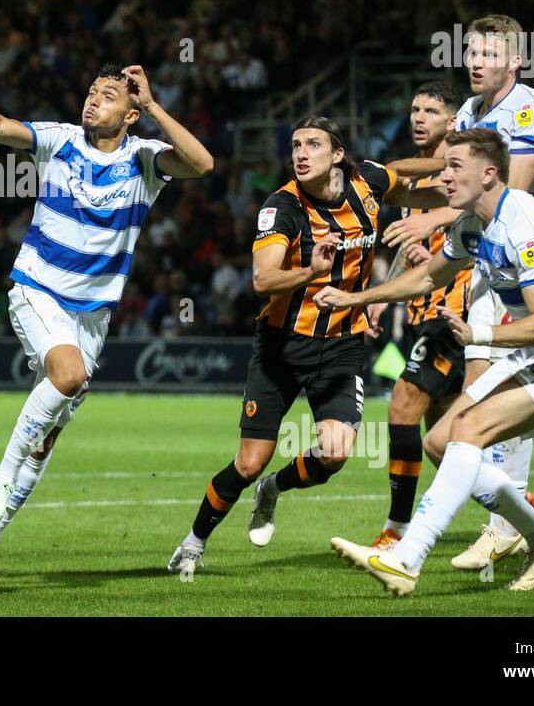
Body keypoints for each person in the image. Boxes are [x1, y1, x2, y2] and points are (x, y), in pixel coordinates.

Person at [0, 64, 213, 588]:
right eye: (90, 91)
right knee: (66, 377)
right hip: (37, 288)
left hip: (93, 316)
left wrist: (155, 106)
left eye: (108, 96)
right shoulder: (61, 141)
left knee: (46, 442)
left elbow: (202, 163)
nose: (93, 101)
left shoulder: (144, 158)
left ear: (131, 115)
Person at [320, 128, 534, 594]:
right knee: (440, 440)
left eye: (455, 166)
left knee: (468, 430)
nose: (445, 174)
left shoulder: (525, 225)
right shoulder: (475, 224)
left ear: (490, 172)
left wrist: (479, 333)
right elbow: (427, 277)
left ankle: (406, 558)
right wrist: (357, 298)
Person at [166, 117, 448, 577]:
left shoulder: (367, 183)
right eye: (296, 144)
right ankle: (195, 541)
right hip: (281, 347)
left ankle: (275, 489)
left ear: (337, 155)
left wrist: (452, 171)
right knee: (249, 461)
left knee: (335, 454)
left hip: (341, 344)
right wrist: (311, 270)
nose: (301, 153)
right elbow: (262, 279)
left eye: (313, 144)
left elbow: (407, 177)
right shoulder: (282, 207)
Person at [386, 15, 534, 568]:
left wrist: (429, 218)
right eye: (471, 52)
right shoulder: (468, 114)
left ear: (515, 60)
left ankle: (504, 522)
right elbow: (445, 169)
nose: (475, 61)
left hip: (529, 262)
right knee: (480, 394)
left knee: (502, 387)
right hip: (487, 259)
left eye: (488, 52)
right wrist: (383, 178)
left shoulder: (532, 108)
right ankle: (507, 521)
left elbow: (510, 191)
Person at [367, 81, 472, 548]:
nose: (418, 117)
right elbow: (408, 248)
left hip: (453, 312)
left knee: (401, 409)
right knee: (444, 440)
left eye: (430, 110)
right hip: (420, 311)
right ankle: (513, 505)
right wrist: (380, 299)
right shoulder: (417, 183)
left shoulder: (462, 171)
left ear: (453, 120)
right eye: (413, 108)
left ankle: (397, 529)